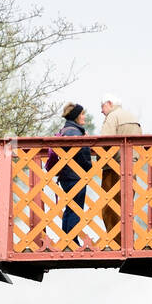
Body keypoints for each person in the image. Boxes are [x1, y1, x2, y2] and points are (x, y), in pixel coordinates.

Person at [98, 94, 142, 240]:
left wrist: (98, 159)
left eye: (102, 107)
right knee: (127, 208)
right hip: (132, 166)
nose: (101, 111)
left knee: (110, 208)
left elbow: (105, 142)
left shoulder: (112, 117)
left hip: (114, 167)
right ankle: (129, 240)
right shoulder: (133, 118)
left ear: (109, 103)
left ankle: (116, 242)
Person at [52, 102, 92, 245]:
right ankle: (72, 241)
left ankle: (67, 240)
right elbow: (83, 154)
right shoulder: (75, 132)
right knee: (76, 208)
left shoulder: (65, 130)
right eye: (82, 114)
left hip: (65, 175)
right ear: (76, 116)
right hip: (75, 175)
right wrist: (89, 167)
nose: (84, 116)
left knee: (69, 208)